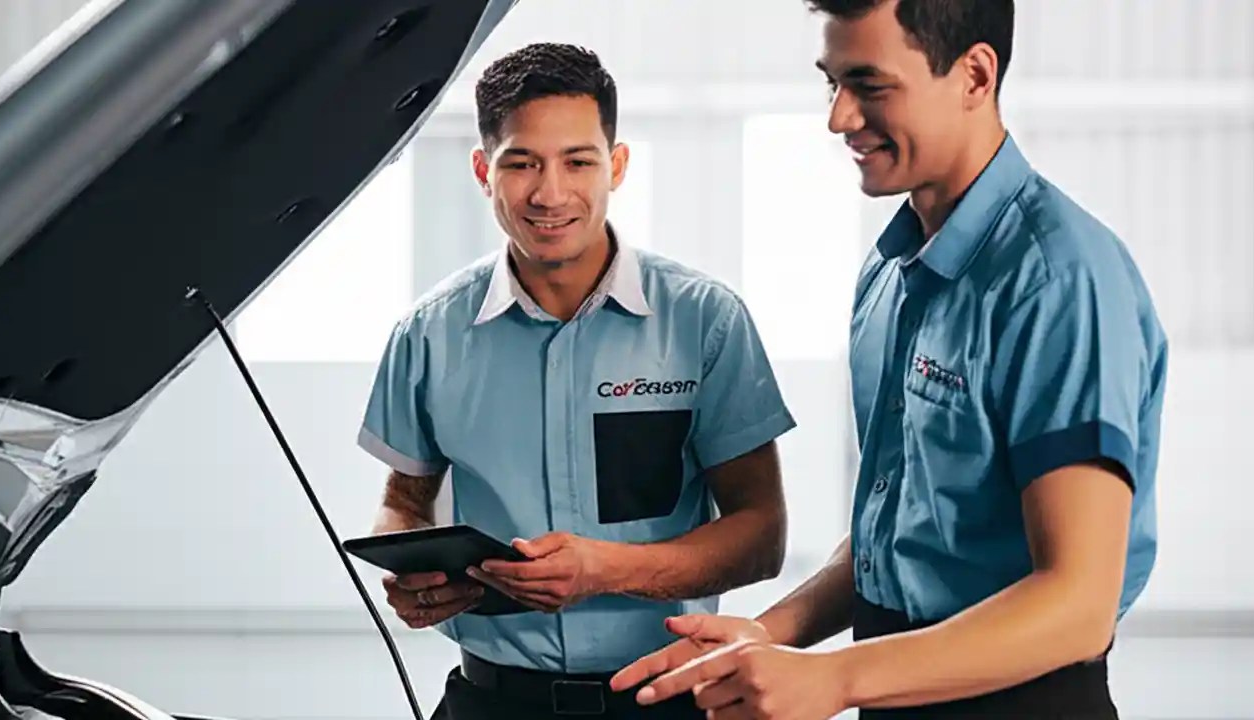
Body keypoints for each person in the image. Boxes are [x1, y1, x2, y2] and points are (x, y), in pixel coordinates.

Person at [611, 1, 1168, 718]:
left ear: (974, 75)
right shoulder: (891, 274)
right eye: (831, 82)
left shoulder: (1058, 280)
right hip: (897, 692)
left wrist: (837, 678)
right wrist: (765, 636)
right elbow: (899, 537)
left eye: (869, 86)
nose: (838, 118)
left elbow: (1077, 604)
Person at [356, 42, 797, 719]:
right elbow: (402, 503)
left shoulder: (704, 321)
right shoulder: (428, 333)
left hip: (669, 698)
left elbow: (760, 535)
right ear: (483, 171)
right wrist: (408, 575)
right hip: (489, 702)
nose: (550, 192)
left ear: (616, 166)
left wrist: (606, 571)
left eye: (578, 161)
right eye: (522, 163)